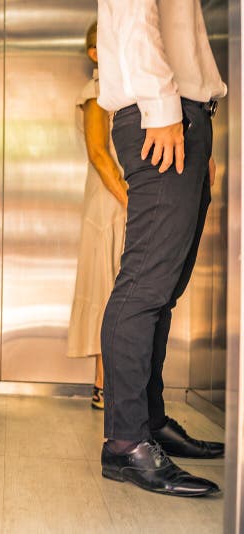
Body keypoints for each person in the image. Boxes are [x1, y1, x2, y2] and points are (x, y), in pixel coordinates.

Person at [97, 0, 225, 497]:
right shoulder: (160, 109)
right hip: (162, 114)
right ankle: (126, 443)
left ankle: (149, 422)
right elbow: (134, 16)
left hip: (183, 117)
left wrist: (198, 139)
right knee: (144, 287)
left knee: (162, 290)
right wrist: (163, 111)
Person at [67, 22, 127, 411]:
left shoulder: (124, 91)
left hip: (119, 199)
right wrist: (130, 201)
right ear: (94, 53)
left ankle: (114, 383)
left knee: (120, 289)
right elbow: (99, 154)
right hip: (111, 202)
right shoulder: (96, 93)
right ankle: (104, 384)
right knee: (107, 288)